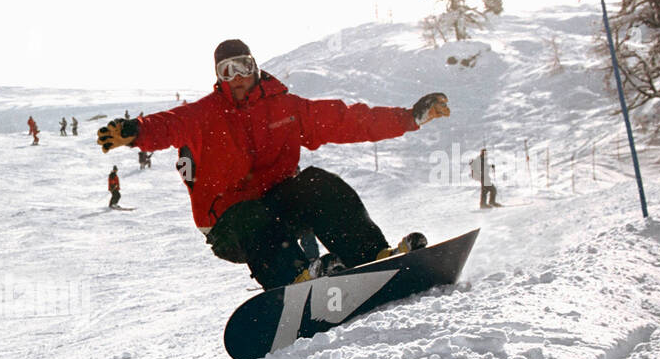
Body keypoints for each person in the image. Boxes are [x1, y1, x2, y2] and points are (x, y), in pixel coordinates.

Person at [98, 38, 449, 289]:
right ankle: (293, 279)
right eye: (227, 71)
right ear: (218, 77)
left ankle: (371, 255)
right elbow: (169, 124)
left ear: (255, 66)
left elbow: (344, 120)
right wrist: (135, 131)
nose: (237, 77)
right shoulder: (205, 114)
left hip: (277, 206)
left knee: (317, 182)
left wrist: (408, 118)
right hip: (228, 222)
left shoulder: (285, 108)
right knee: (251, 216)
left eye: (244, 67)